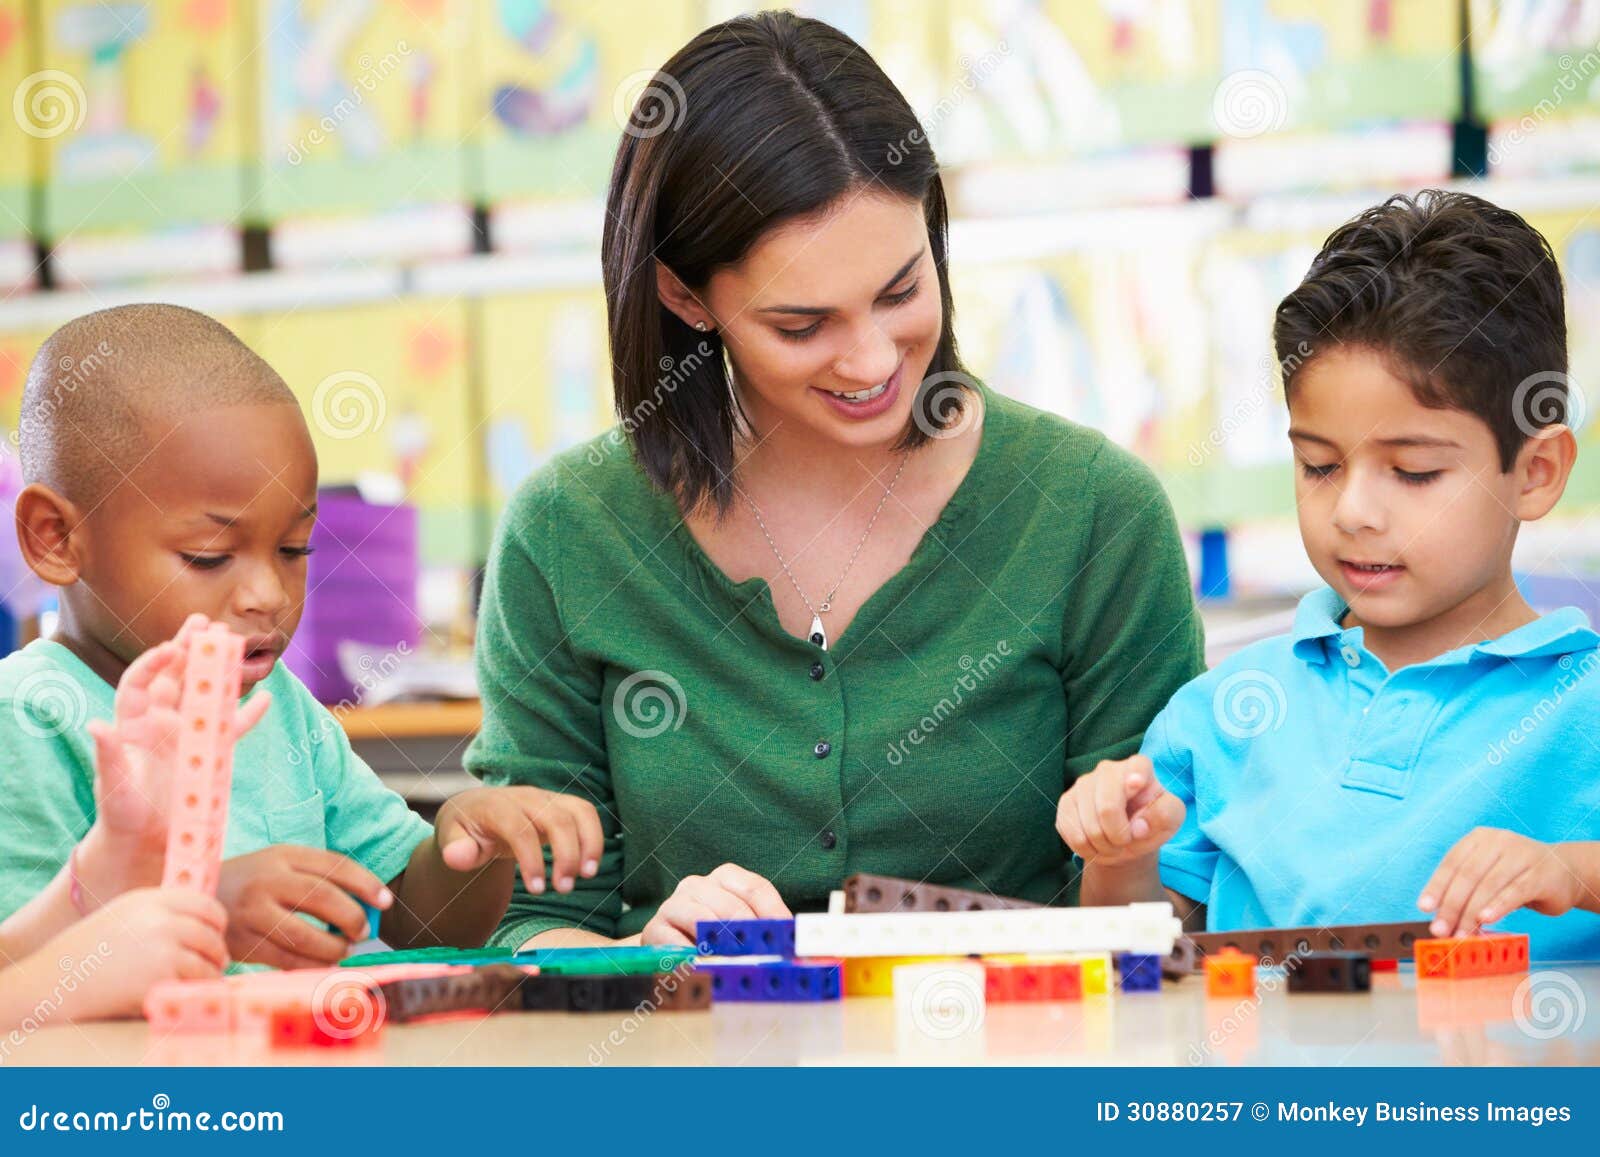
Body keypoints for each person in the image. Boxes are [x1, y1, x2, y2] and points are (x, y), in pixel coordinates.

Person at [467, 11, 1204, 949]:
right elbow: (531, 924)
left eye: (901, 291)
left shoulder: (1094, 512)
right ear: (685, 296)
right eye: (801, 324)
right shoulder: (569, 532)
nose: (871, 360)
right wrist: (635, 957)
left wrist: (1125, 855)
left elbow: (1166, 927)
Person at [1059, 190, 1600, 959]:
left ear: (1536, 472)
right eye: (1318, 464)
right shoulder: (1219, 713)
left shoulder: (1583, 705)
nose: (1353, 510)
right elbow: (1140, 960)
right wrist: (1122, 858)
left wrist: (1571, 872)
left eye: (1412, 472)